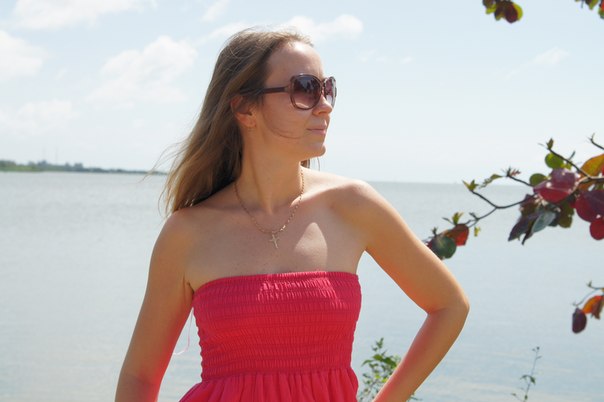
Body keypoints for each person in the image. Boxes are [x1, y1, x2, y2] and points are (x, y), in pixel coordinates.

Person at [115, 28, 469, 402]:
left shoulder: (353, 205)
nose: (324, 105)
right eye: (305, 89)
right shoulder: (187, 233)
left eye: (327, 88)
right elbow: (140, 376)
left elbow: (449, 306)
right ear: (245, 109)